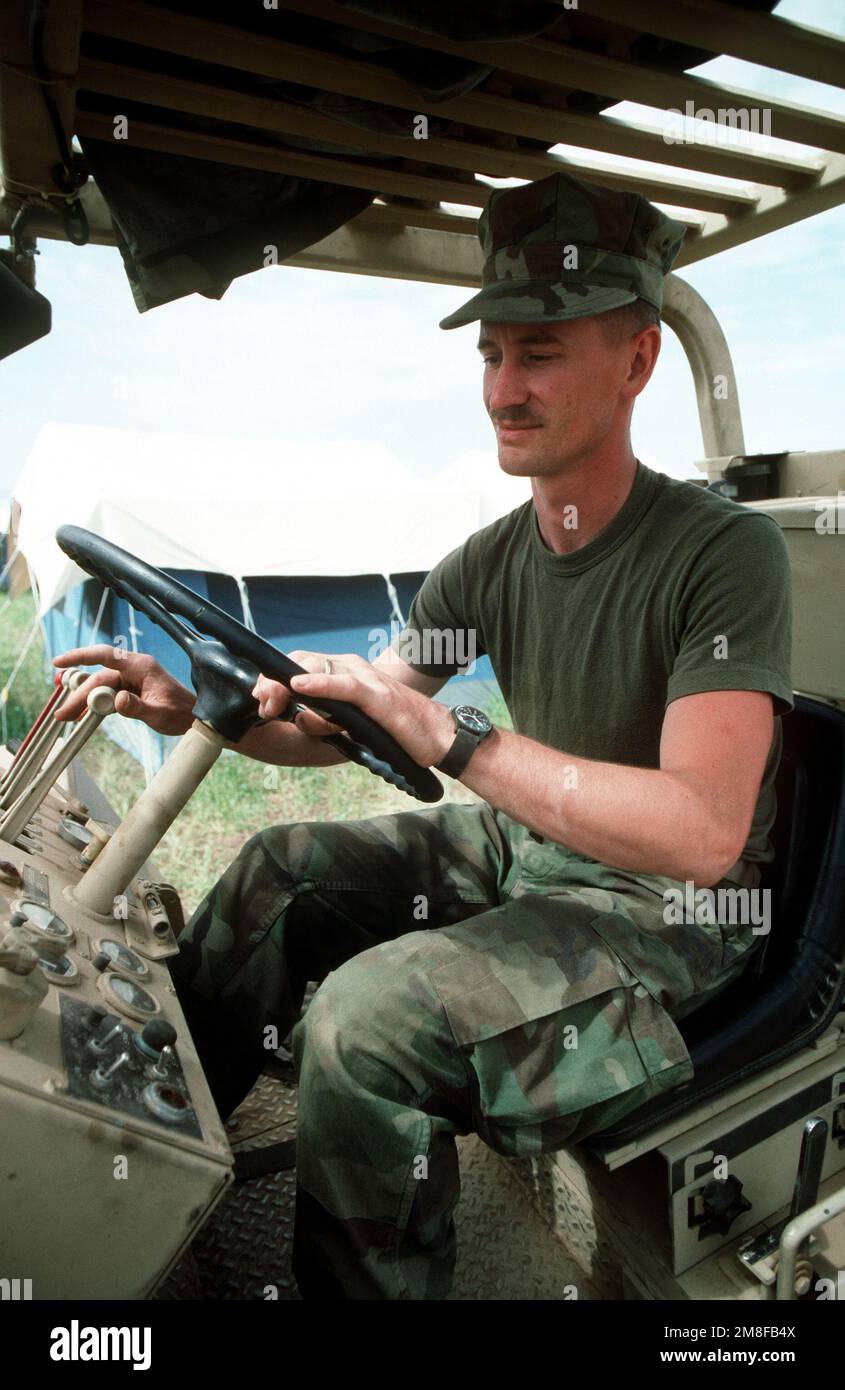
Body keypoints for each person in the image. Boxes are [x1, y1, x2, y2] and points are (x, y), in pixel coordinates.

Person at [53, 170, 793, 1300]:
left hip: (668, 912)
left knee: (365, 1022)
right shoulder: (488, 558)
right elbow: (352, 720)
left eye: (538, 354)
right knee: (273, 870)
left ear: (636, 360)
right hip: (526, 852)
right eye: (490, 355)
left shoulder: (720, 555)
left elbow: (700, 831)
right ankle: (137, 1173)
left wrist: (461, 744)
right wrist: (200, 705)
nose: (502, 388)